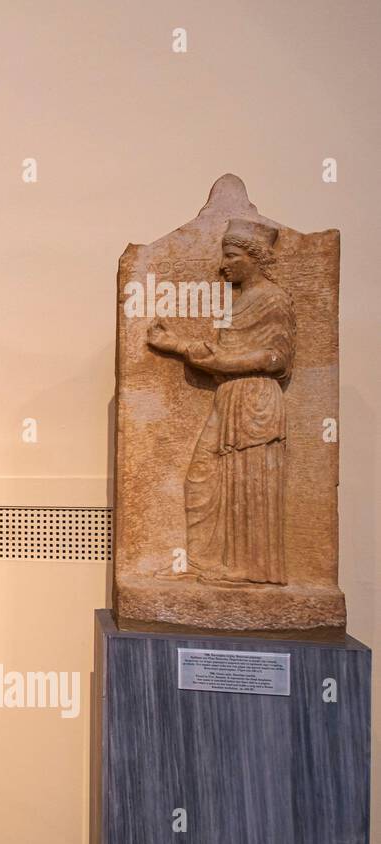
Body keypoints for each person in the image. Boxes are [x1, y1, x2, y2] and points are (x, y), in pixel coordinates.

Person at [147, 218, 294, 584]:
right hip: (230, 397)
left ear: (255, 257)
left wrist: (225, 363)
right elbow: (217, 351)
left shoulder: (274, 299)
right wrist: (175, 344)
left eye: (231, 256)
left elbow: (279, 358)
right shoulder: (240, 303)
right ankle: (206, 561)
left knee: (248, 483)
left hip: (255, 398)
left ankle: (250, 570)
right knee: (203, 479)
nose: (223, 264)